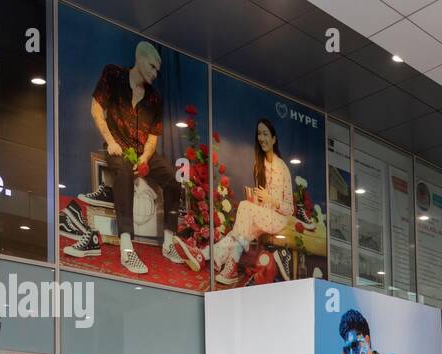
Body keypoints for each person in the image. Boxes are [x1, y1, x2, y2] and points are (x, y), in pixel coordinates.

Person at [70, 41, 193, 275]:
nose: (156, 73)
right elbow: (96, 108)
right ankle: (127, 246)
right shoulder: (113, 74)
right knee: (124, 172)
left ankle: (169, 241)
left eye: (158, 70)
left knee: (172, 180)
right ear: (139, 58)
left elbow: (153, 136)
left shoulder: (155, 98)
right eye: (153, 67)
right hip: (117, 145)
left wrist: (146, 158)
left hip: (142, 151)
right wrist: (111, 140)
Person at [211, 118, 297, 285]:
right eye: (259, 134)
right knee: (238, 232)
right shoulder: (259, 165)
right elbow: (260, 202)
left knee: (244, 208)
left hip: (277, 220)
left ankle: (227, 264)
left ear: (273, 139)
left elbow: (290, 209)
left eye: (265, 134)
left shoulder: (282, 168)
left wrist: (270, 200)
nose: (262, 138)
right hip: (261, 216)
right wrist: (256, 200)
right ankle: (217, 259)